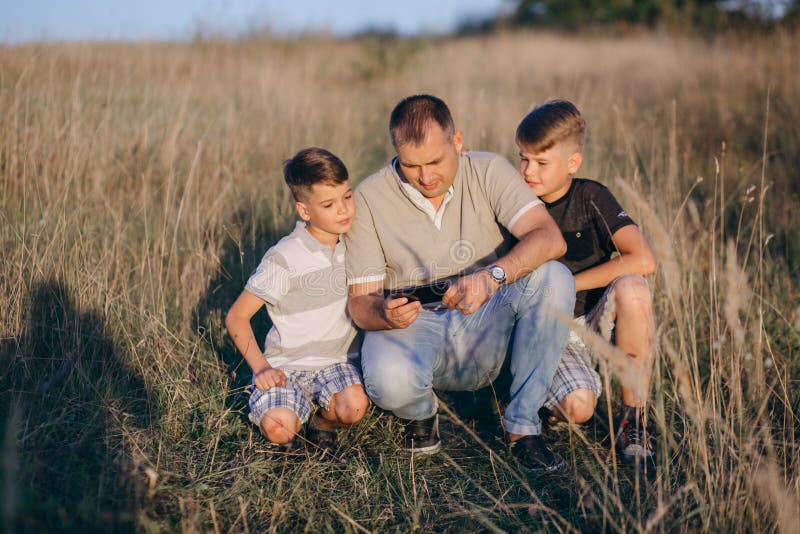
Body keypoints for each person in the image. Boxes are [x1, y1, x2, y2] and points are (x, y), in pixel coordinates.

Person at [345, 94, 576, 471]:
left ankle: (522, 427)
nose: (425, 177)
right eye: (411, 165)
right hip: (414, 322)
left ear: (457, 142)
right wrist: (384, 312)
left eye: (436, 161)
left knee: (555, 277)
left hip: (488, 313)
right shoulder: (369, 197)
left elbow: (549, 237)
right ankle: (422, 412)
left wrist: (493, 276)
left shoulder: (488, 169)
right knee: (388, 381)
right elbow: (360, 304)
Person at [515, 99, 657, 463]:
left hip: (591, 320)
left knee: (633, 288)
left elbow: (643, 259)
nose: (528, 171)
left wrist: (569, 284)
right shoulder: (513, 201)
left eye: (541, 162)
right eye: (522, 158)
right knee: (579, 409)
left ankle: (633, 419)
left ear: (572, 163)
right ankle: (538, 393)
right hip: (546, 326)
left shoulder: (590, 196)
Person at [225, 147, 370, 456]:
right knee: (280, 428)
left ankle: (322, 423)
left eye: (347, 196)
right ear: (304, 211)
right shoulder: (285, 257)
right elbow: (236, 317)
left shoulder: (357, 243)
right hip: (286, 367)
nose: (344, 209)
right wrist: (261, 368)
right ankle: (291, 418)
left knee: (354, 408)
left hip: (336, 363)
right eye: (329, 204)